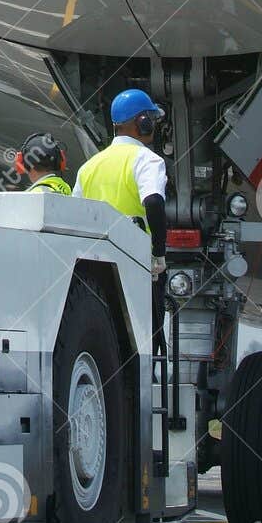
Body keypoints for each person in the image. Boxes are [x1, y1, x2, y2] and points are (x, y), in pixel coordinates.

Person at [73, 89, 167, 344]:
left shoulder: (89, 166)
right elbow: (154, 202)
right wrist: (158, 253)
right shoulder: (147, 160)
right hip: (138, 264)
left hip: (96, 268)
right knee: (148, 340)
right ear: (142, 122)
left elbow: (74, 214)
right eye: (152, 119)